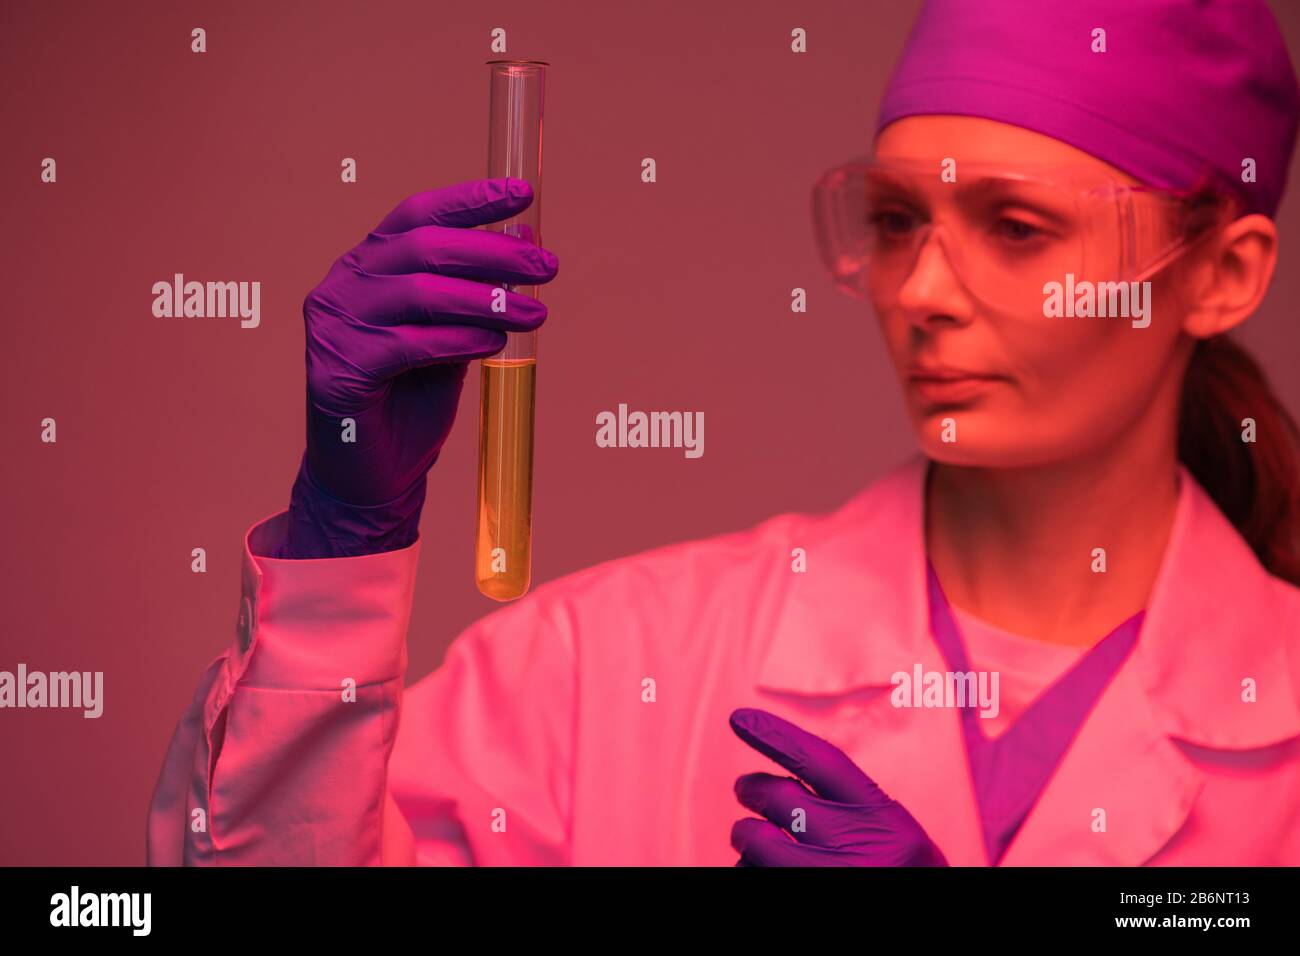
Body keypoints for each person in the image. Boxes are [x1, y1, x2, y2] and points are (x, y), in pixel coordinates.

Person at [147, 0, 1300, 866]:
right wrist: (342, 540)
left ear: (1222, 274)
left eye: (1016, 225)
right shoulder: (597, 667)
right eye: (896, 219)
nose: (923, 290)